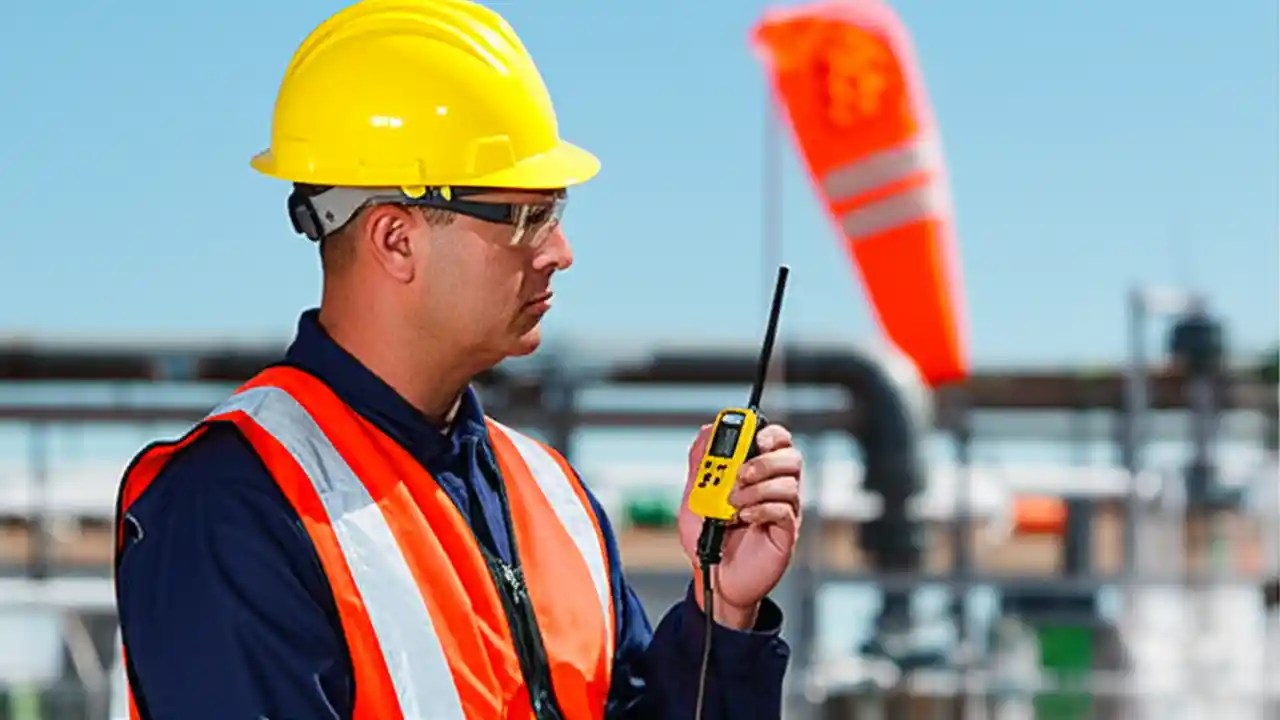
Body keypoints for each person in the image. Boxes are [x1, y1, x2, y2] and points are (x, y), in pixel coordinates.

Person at [111, 1, 805, 718]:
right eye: (529, 216)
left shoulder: (555, 498)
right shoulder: (231, 505)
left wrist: (722, 613)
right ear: (396, 239)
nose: (561, 253)